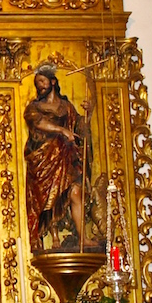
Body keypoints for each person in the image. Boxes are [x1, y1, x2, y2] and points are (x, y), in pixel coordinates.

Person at [24, 63, 92, 250]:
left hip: (66, 156)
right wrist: (61, 130)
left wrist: (89, 112)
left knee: (75, 193)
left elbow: (80, 128)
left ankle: (82, 237)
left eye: (43, 81)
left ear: (53, 82)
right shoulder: (34, 107)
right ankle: (54, 237)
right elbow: (38, 123)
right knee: (49, 197)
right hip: (43, 158)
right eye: (38, 83)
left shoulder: (66, 106)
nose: (41, 86)